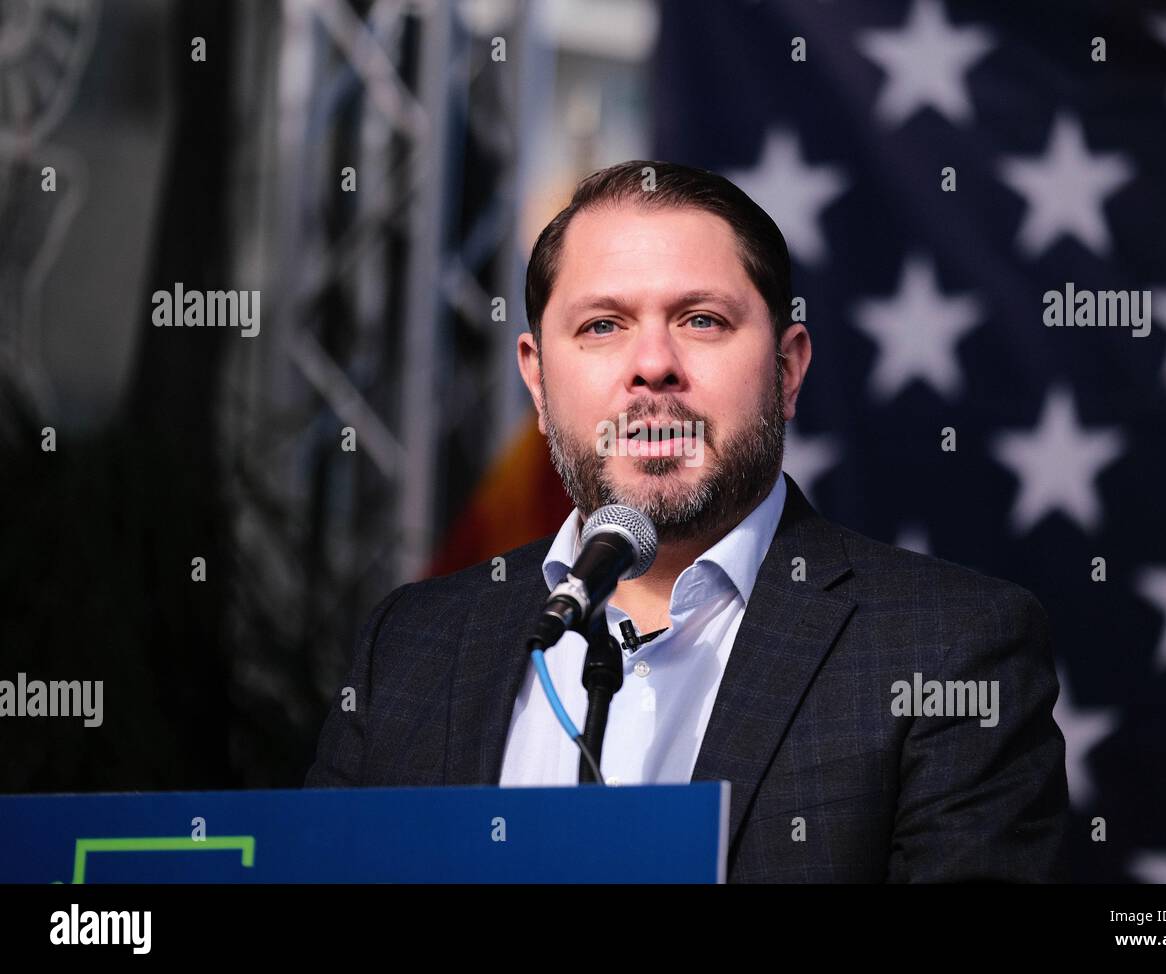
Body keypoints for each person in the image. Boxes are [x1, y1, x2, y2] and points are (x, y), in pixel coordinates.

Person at [305, 160, 1070, 882]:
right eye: (602, 325)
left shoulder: (952, 648)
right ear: (537, 380)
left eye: (701, 320)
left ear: (789, 369)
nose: (653, 365)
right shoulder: (409, 646)